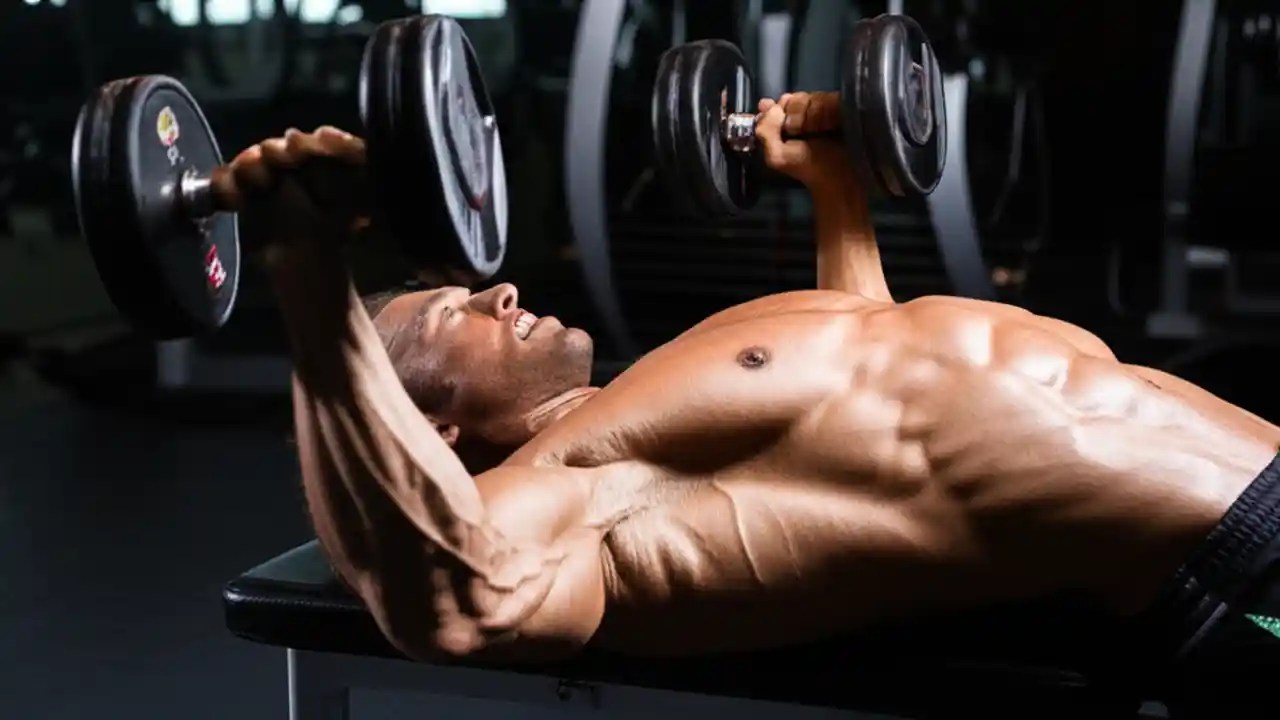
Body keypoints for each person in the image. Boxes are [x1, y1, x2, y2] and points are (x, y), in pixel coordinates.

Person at [214, 93, 1280, 690]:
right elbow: (456, 601)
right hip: (1239, 579)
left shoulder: (651, 405)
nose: (498, 291)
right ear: (432, 427)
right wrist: (308, 277)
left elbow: (878, 398)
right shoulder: (572, 489)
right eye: (451, 315)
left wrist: (837, 198)